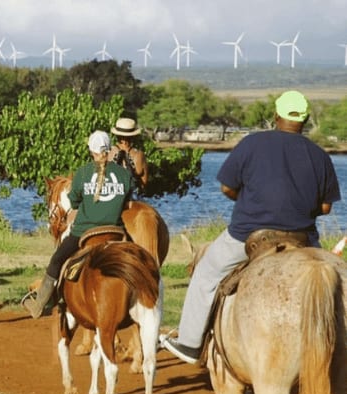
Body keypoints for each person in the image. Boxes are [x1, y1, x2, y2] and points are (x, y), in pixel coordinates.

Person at [162, 90, 341, 364]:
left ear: (276, 116)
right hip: (302, 239)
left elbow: (226, 186)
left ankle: (189, 343)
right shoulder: (320, 155)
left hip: (249, 235)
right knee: (335, 283)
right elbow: (326, 208)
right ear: (304, 120)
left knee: (206, 273)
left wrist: (246, 198)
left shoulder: (252, 143)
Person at [24, 130, 135, 318]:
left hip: (85, 232)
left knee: (57, 260)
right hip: (116, 232)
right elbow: (127, 198)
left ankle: (39, 304)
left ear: (91, 151)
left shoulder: (83, 173)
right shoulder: (124, 175)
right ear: (109, 150)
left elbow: (74, 201)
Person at [109, 117, 148, 191]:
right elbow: (144, 184)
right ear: (133, 136)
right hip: (131, 197)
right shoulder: (139, 155)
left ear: (117, 135)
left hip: (111, 197)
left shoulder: (108, 153)